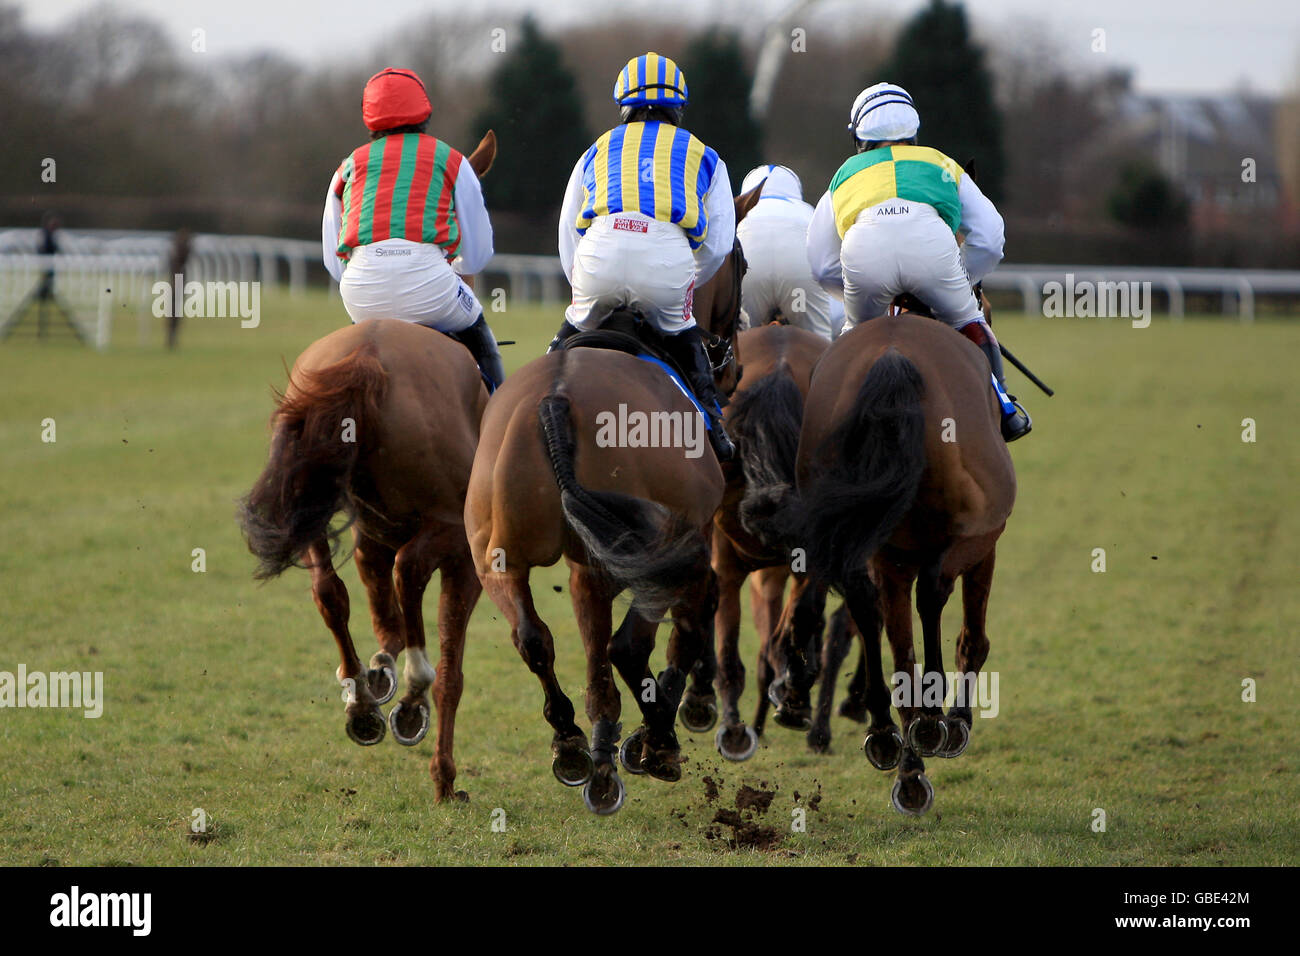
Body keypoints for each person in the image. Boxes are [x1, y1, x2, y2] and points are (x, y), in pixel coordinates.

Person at [806, 82, 1031, 441]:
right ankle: (1004, 407)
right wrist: (958, 279)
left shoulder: (843, 176)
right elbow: (990, 240)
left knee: (852, 339)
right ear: (913, 132)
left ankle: (823, 422)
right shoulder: (942, 163)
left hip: (865, 262)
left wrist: (864, 296)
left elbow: (821, 265)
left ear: (860, 137)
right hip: (934, 255)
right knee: (970, 320)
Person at [553, 52, 737, 461]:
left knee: (567, 339)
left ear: (624, 105)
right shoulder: (706, 155)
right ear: (678, 108)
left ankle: (543, 375)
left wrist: (583, 288)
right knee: (686, 338)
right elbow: (720, 243)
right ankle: (713, 425)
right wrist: (687, 277)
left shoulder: (595, 149)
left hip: (598, 258)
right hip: (665, 267)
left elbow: (569, 232)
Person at [322, 67, 504, 391]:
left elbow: (334, 263)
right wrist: (455, 268)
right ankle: (495, 414)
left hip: (361, 291)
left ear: (369, 117)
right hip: (430, 287)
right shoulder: (451, 160)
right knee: (478, 326)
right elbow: (477, 256)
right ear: (424, 112)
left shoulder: (347, 165)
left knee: (359, 340)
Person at [734, 164, 844, 340]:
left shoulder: (740, 211)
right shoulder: (807, 210)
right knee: (817, 347)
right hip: (797, 278)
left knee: (738, 348)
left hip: (752, 272)